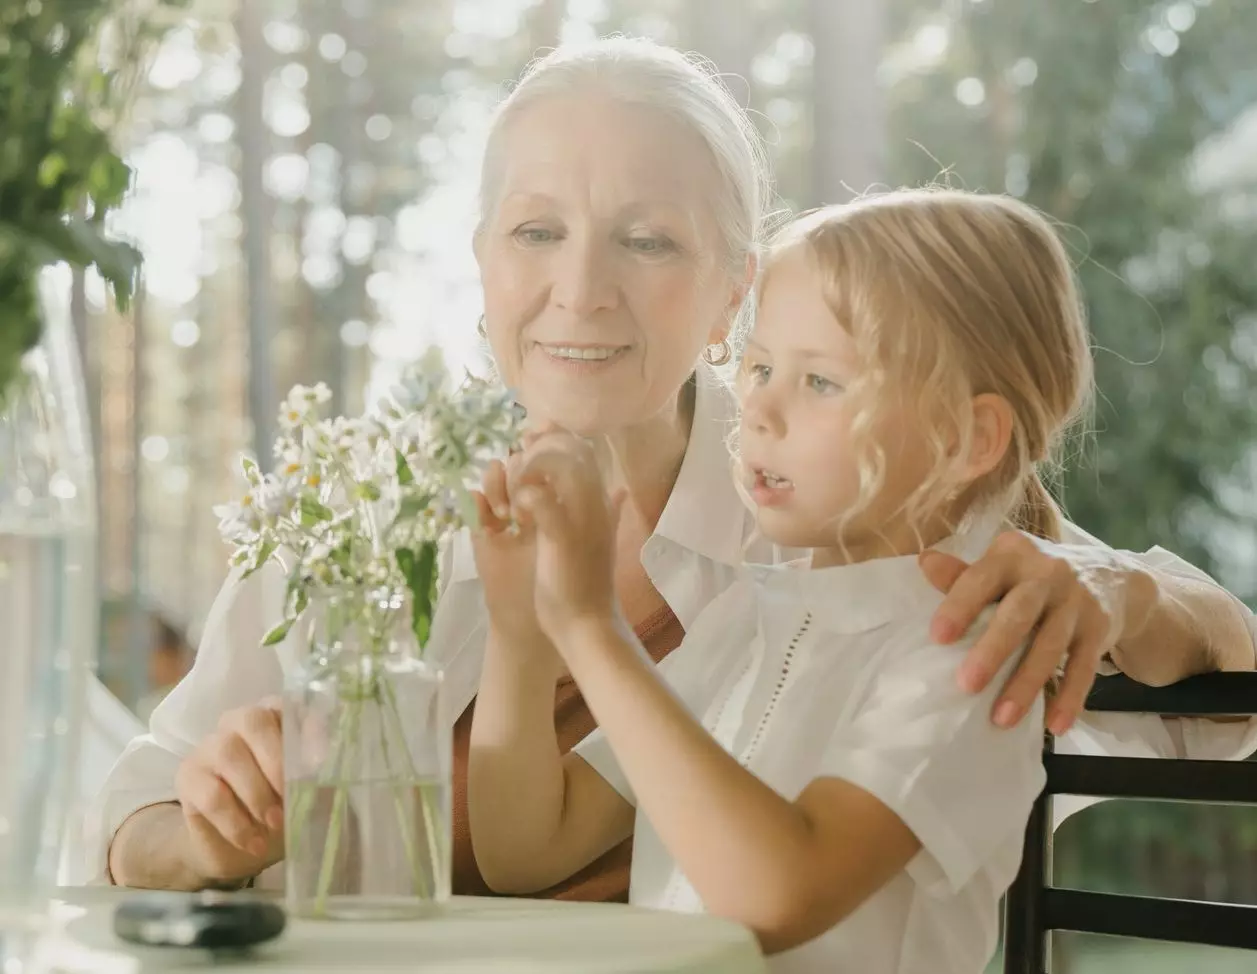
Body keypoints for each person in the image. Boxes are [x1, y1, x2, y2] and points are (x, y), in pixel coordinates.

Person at [90, 37, 1257, 895]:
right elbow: (131, 815)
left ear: (736, 293)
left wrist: (1126, 592)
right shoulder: (366, 510)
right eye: (537, 232)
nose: (582, 289)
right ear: (484, 261)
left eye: (648, 241)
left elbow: (1218, 707)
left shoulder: (841, 521)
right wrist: (201, 835)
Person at [466, 188, 1096, 972]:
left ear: (964, 439)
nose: (757, 407)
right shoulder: (742, 621)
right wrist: (522, 628)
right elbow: (527, 849)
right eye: (760, 366)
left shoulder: (967, 659)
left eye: (820, 381)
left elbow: (776, 894)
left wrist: (591, 628)